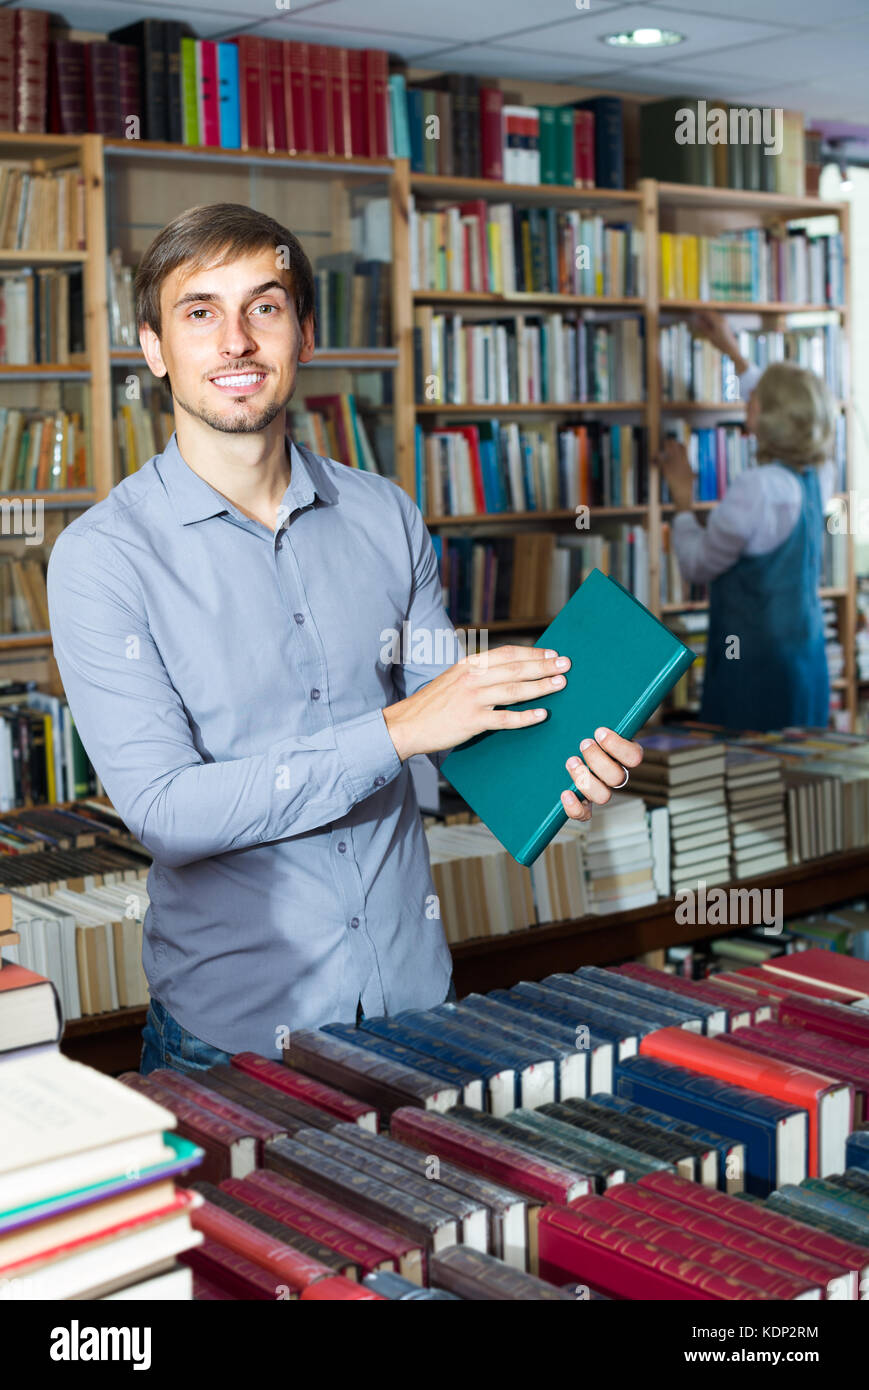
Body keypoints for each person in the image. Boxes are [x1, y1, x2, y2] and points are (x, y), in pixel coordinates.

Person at [46, 202, 643, 1077]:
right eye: (199, 312)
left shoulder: (384, 513)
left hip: (414, 1001)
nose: (236, 341)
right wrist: (397, 732)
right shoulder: (102, 559)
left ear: (303, 333)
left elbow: (459, 731)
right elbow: (169, 814)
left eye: (265, 306)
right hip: (232, 1037)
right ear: (153, 348)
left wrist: (559, 769)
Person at [656, 309, 836, 732]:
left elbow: (696, 565)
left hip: (753, 669)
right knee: (799, 778)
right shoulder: (819, 474)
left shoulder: (757, 488)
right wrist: (733, 352)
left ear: (768, 416)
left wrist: (682, 498)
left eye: (753, 400)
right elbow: (787, 406)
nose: (746, 402)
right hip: (806, 660)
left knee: (748, 781)